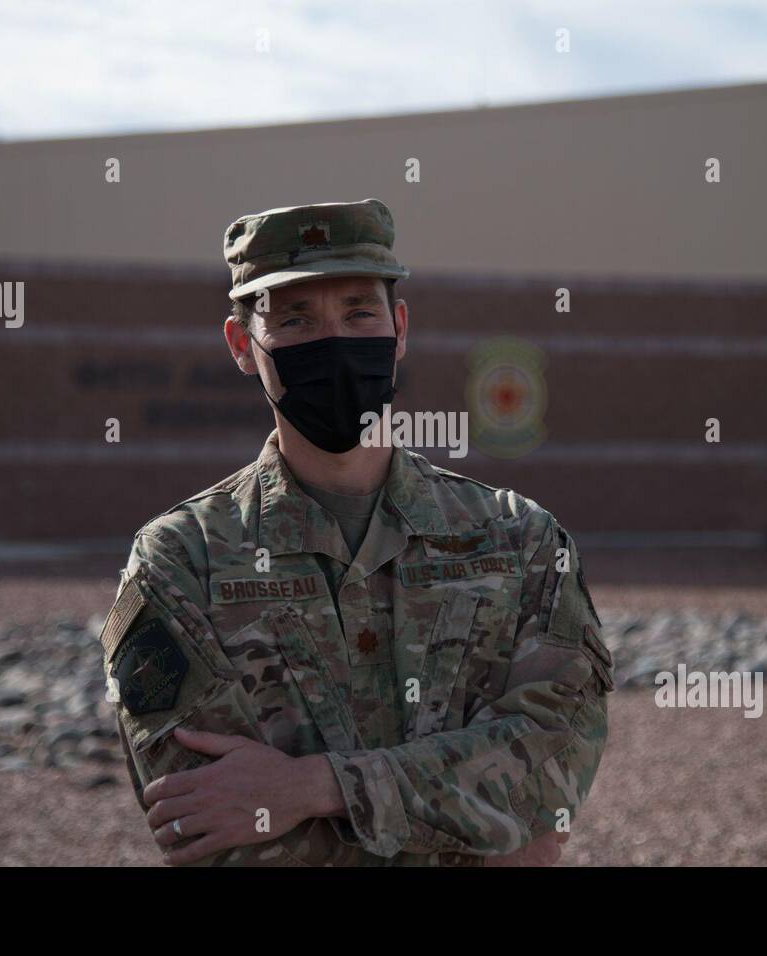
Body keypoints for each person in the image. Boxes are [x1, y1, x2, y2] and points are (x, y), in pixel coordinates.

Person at [99, 197, 614, 866]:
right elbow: (207, 822)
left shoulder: (520, 541)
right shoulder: (179, 561)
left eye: (358, 313)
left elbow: (547, 784)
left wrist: (318, 786)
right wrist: (454, 802)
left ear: (399, 329)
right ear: (241, 347)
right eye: (295, 319)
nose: (333, 341)